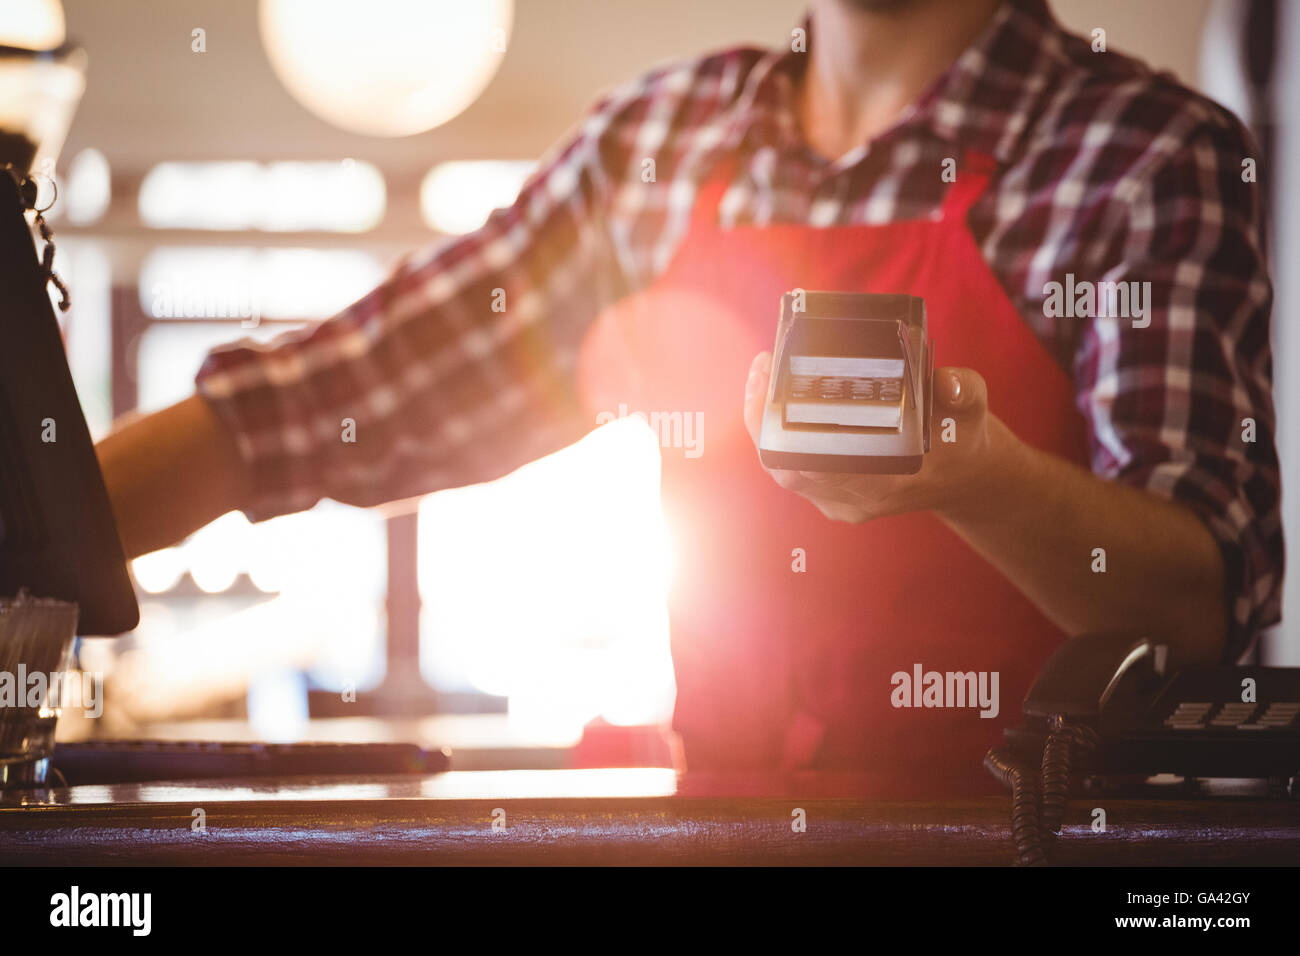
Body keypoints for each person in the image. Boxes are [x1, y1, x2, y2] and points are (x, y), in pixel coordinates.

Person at [97, 0, 1282, 793]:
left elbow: (1196, 609)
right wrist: (48, 523)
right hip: (721, 836)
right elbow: (344, 394)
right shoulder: (660, 144)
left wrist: (986, 480)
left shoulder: (1144, 155)